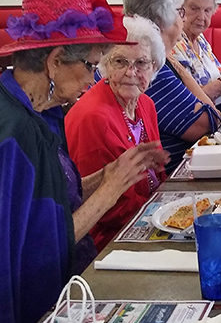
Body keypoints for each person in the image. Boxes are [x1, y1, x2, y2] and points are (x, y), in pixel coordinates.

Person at [0, 0, 167, 323]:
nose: (95, 78)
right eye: (92, 65)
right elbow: (41, 247)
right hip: (37, 320)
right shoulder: (14, 132)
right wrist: (111, 189)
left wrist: (107, 175)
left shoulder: (40, 112)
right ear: (55, 61)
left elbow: (55, 199)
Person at [65, 16, 169, 250]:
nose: (131, 72)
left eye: (141, 63)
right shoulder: (94, 117)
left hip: (147, 219)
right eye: (120, 62)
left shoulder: (146, 105)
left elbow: (156, 175)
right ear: (104, 66)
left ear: (154, 67)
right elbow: (111, 212)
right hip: (107, 241)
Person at [122, 0, 221, 172]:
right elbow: (209, 122)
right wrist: (179, 69)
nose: (183, 19)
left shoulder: (146, 58)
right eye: (181, 11)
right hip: (167, 179)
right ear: (162, 20)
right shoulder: (149, 68)